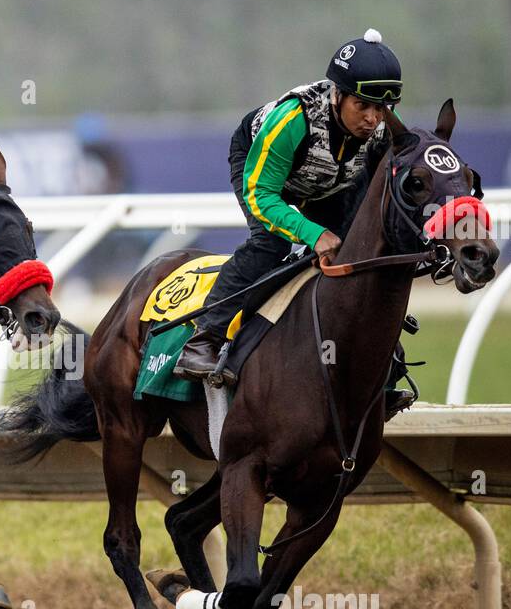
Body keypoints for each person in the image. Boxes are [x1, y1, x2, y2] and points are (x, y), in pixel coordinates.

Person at [174, 28, 416, 415]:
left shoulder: (384, 123)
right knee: (271, 244)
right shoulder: (293, 120)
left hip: (328, 180)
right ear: (337, 94)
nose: (372, 119)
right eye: (362, 106)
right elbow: (262, 195)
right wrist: (312, 232)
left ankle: (382, 366)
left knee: (357, 250)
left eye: (382, 109)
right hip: (267, 176)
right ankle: (205, 338)